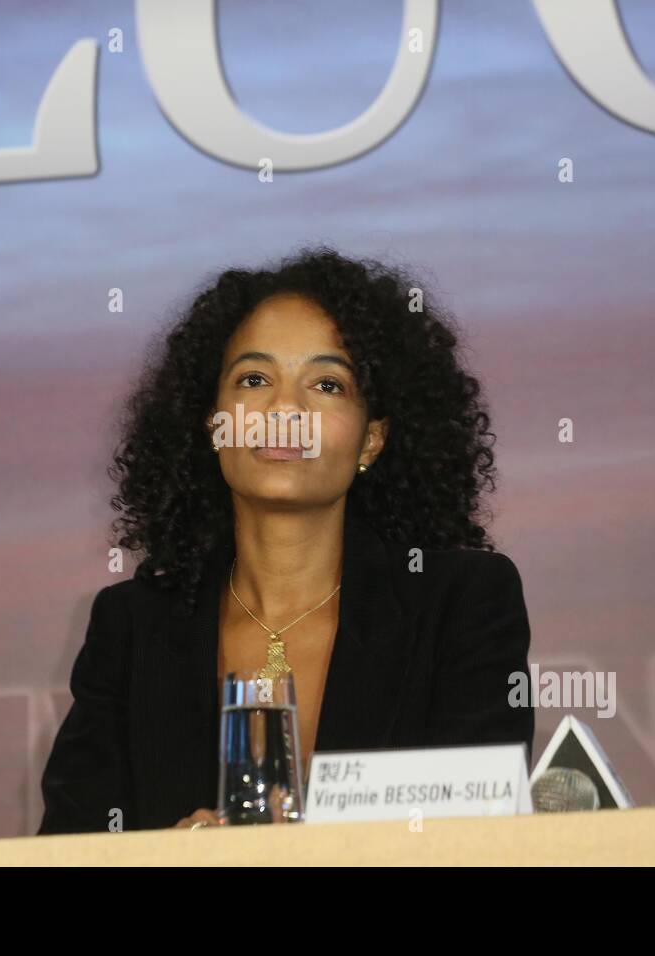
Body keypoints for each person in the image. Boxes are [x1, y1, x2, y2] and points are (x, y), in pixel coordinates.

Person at [37, 246, 533, 834]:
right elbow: (71, 846)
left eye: (326, 385)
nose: (284, 410)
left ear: (372, 439)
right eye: (254, 379)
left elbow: (477, 838)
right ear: (213, 423)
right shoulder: (131, 628)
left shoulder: (462, 603)